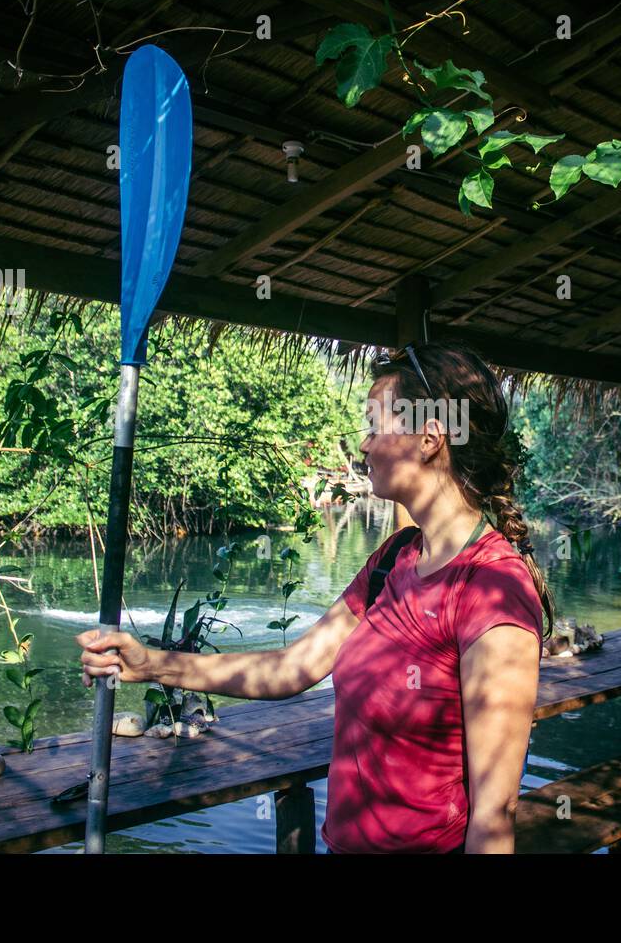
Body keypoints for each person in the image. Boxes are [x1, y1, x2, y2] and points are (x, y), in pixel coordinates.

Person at [77, 340, 556, 853]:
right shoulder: (394, 558)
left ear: (429, 439)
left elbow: (493, 815)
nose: (365, 446)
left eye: (375, 426)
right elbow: (292, 668)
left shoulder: (492, 588)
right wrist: (151, 664)